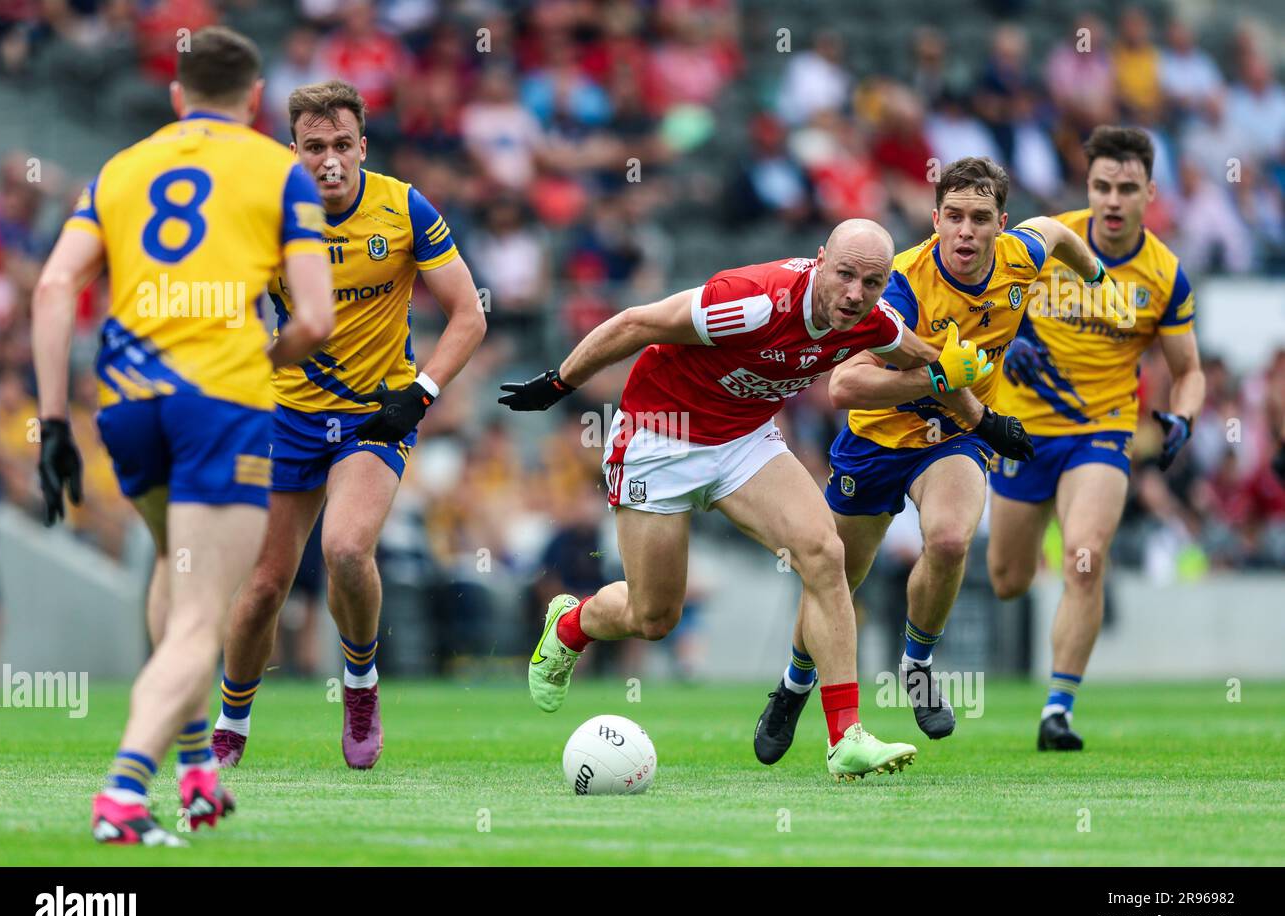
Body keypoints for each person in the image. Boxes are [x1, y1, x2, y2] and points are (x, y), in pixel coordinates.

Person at [500, 219, 1014, 780]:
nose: (854, 294)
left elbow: (928, 361)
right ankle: (572, 624)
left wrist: (981, 418)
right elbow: (637, 322)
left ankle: (846, 738)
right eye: (844, 275)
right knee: (654, 618)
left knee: (825, 553)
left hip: (743, 442)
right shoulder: (753, 304)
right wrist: (557, 383)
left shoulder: (875, 321)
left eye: (871, 282)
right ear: (821, 260)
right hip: (658, 436)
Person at [31, 26, 335, 844]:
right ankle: (126, 792)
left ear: (176, 96)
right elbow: (314, 315)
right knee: (206, 611)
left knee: (177, 565)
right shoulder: (277, 171)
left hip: (127, 403)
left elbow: (56, 286)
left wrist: (54, 419)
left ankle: (197, 771)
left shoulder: (121, 169)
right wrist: (264, 355)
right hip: (220, 402)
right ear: (256, 98)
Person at [753, 157, 1129, 764]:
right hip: (876, 440)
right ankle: (794, 687)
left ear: (1000, 225)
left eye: (980, 219)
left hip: (957, 436)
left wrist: (1095, 275)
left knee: (952, 541)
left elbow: (1057, 234)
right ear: (934, 219)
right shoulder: (899, 283)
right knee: (838, 579)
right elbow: (845, 387)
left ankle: (917, 663)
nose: (965, 231)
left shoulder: (1021, 256)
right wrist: (933, 377)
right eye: (953, 216)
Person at [211, 80, 485, 770]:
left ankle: (360, 683)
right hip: (286, 415)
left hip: (376, 413)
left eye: (341, 145)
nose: (328, 160)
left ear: (362, 147)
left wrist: (420, 394)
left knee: (344, 550)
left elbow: (469, 314)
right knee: (266, 586)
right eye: (313, 147)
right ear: (292, 153)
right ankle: (231, 725)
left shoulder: (404, 207)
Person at [988, 127, 1205, 750]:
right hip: (1022, 430)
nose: (1113, 200)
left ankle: (1057, 710)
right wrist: (1012, 344)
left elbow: (1189, 373)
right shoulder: (1044, 242)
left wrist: (1182, 417)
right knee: (1007, 578)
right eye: (1102, 186)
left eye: (1127, 188)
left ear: (1150, 193)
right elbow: (983, 312)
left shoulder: (1165, 276)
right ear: (1087, 188)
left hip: (1102, 430)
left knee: (1084, 559)